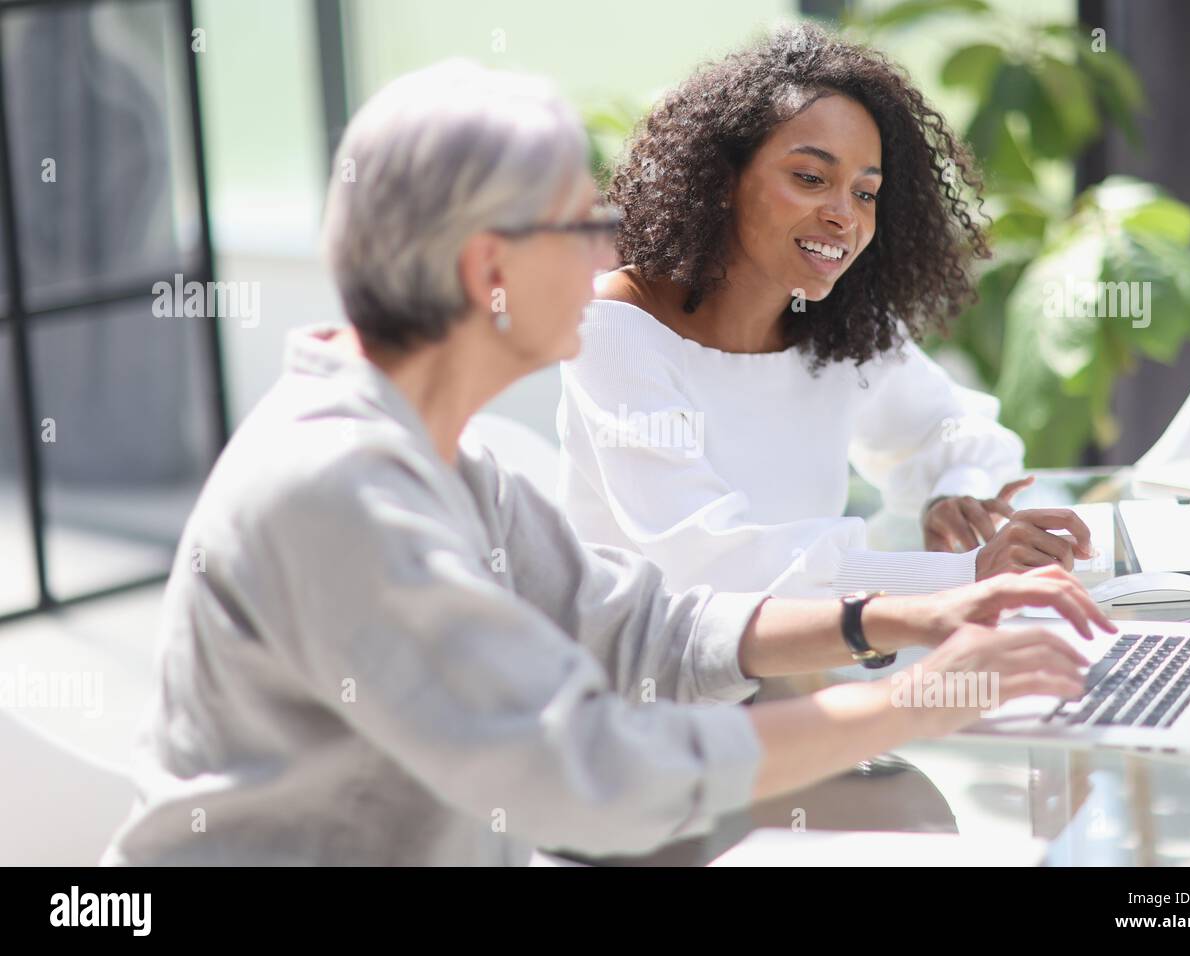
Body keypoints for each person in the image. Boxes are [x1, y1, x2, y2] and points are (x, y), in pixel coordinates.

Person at [102, 59, 1109, 867]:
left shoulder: (451, 468)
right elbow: (588, 769)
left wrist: (913, 615)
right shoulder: (337, 488)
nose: (611, 256)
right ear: (487, 269)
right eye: (583, 224)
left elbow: (649, 629)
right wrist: (913, 693)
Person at [558, 24, 1095, 604]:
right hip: (659, 687)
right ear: (721, 181)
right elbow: (715, 563)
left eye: (865, 193)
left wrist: (952, 496)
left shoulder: (836, 324)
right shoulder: (613, 324)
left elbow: (961, 435)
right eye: (811, 178)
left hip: (809, 663)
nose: (845, 216)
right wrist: (966, 573)